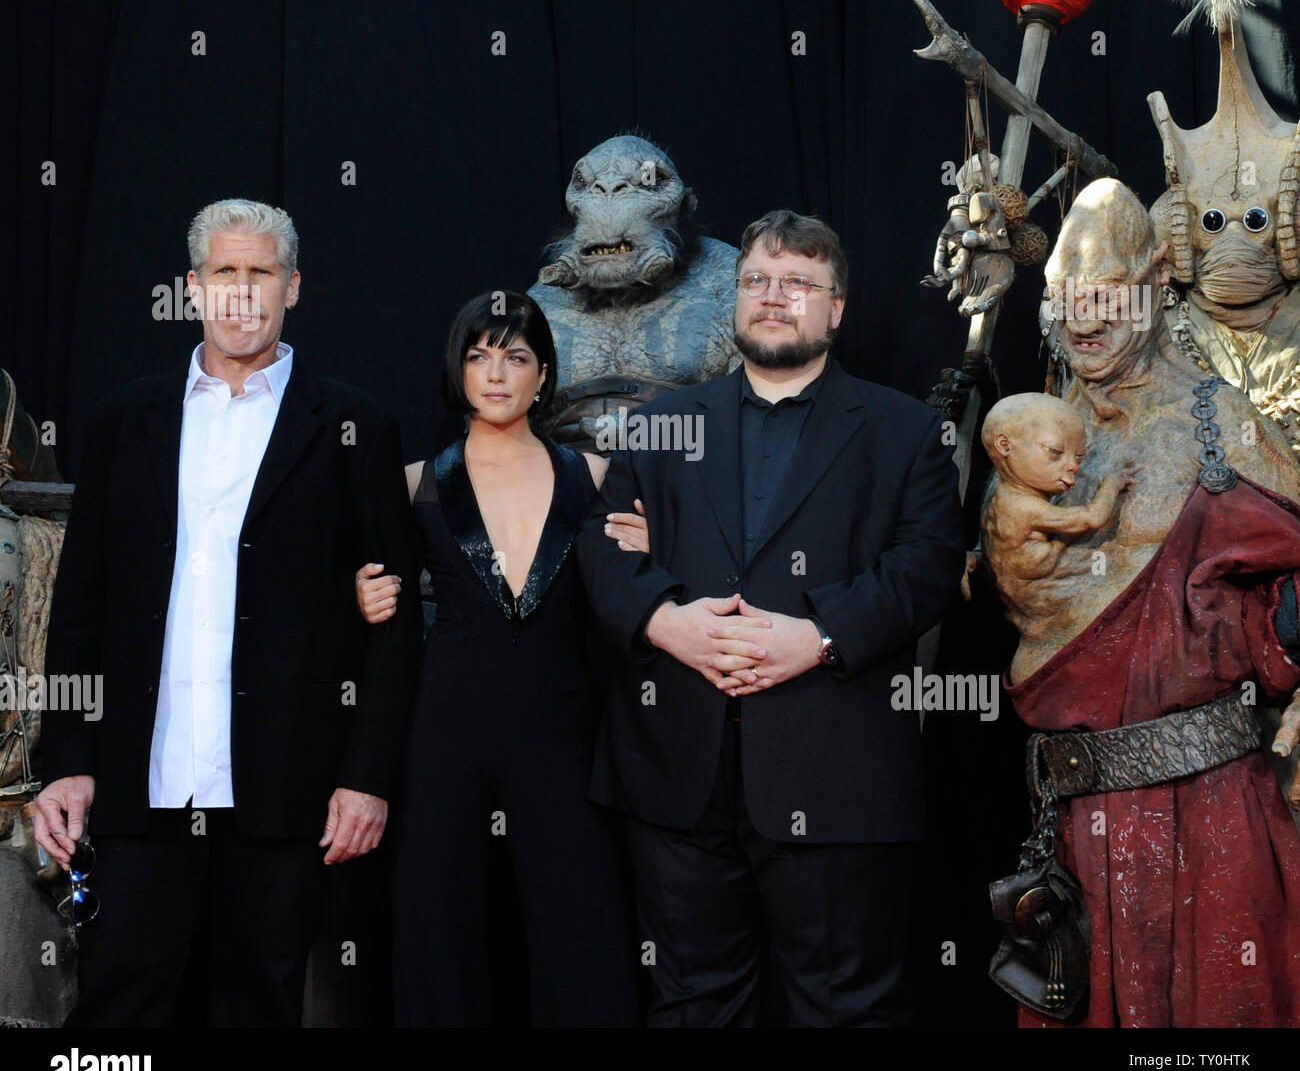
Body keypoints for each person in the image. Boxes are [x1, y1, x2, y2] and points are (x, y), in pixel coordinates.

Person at [33, 199, 422, 1027]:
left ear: (293, 287)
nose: (241, 293)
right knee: (116, 1013)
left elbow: (394, 629)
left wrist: (365, 776)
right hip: (143, 785)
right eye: (223, 273)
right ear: (192, 288)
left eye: (260, 273)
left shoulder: (357, 426)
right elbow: (79, 607)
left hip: (283, 791)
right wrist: (64, 754)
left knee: (257, 1007)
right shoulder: (118, 422)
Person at [575, 209, 967, 1026]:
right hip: (677, 778)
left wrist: (817, 637)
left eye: (798, 282)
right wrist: (666, 619)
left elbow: (927, 568)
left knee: (843, 1010)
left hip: (838, 776)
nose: (773, 296)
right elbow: (603, 552)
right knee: (692, 1007)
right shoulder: (658, 425)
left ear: (838, 307)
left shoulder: (904, 431)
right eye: (757, 279)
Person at [997, 178, 1300, 1027]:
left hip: (1214, 812)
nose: (1082, 318)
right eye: (1064, 298)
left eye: (1103, 292)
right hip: (1078, 822)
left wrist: (1287, 645)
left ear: (1156, 275)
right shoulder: (1040, 430)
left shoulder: (1219, 423)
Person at [357, 290, 640, 1026]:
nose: (495, 371)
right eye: (479, 354)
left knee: (582, 925)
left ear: (542, 374)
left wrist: (644, 553)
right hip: (443, 729)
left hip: (564, 727)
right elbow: (349, 582)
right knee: (435, 926)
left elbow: (640, 593)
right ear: (457, 367)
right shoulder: (414, 482)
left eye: (515, 355)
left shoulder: (598, 476)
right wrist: (360, 589)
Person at [977, 393, 1136, 681]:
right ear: (1005, 446)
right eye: (1054, 452)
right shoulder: (1024, 507)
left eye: (1079, 457)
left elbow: (990, 544)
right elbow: (1092, 518)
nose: (1073, 466)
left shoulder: (1001, 496)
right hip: (1034, 591)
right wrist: (1111, 487)